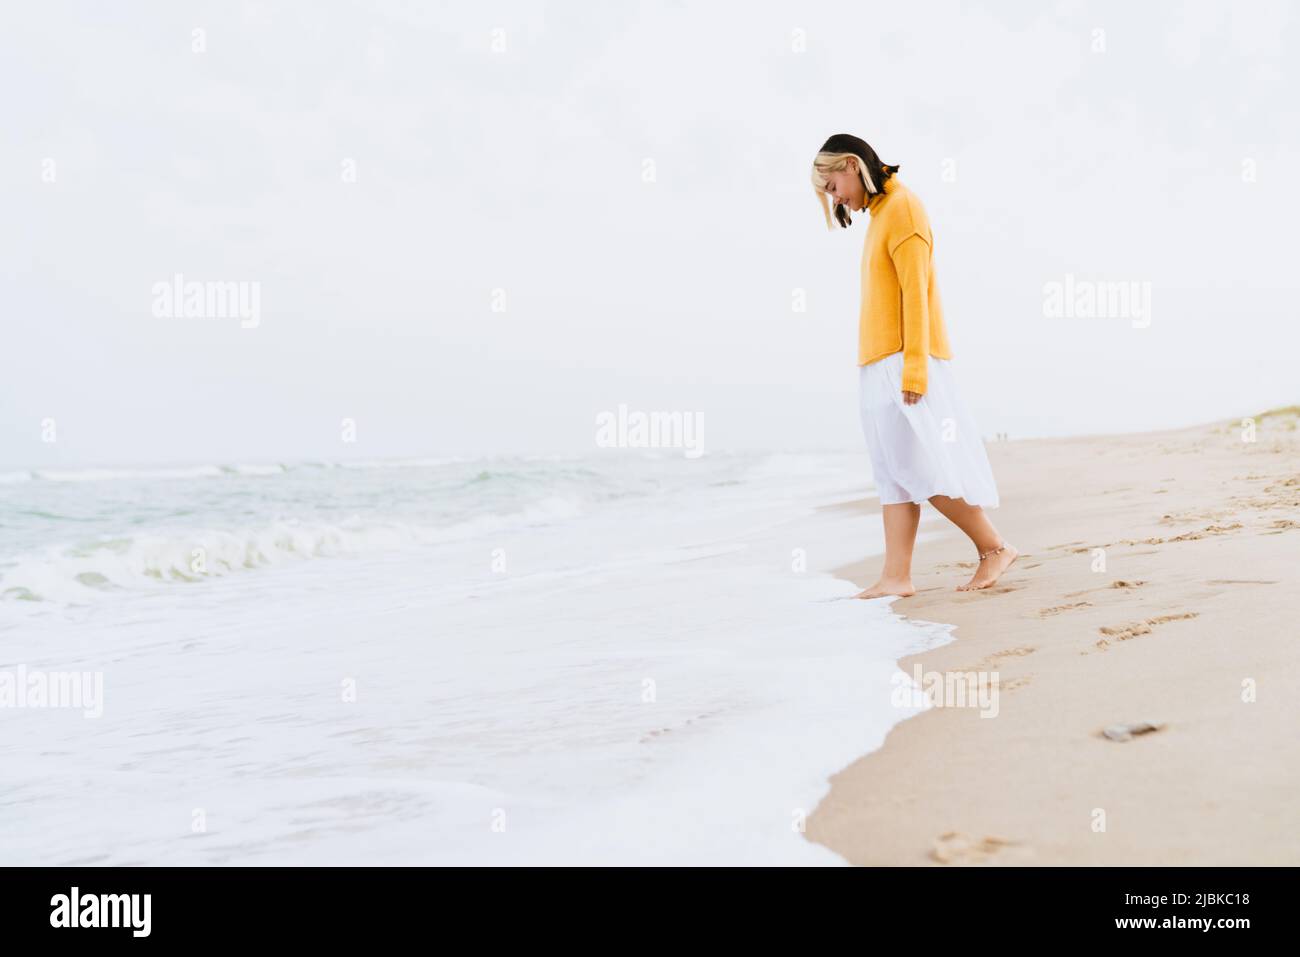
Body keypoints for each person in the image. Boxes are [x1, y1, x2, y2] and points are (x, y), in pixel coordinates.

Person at [811, 133, 1016, 595]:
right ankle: (896, 576)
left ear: (849, 164)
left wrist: (916, 368)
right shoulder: (881, 213)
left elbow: (917, 294)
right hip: (878, 361)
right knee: (893, 474)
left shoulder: (903, 206)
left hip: (905, 360)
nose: (835, 197)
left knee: (923, 467)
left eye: (832, 186)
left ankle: (994, 547)